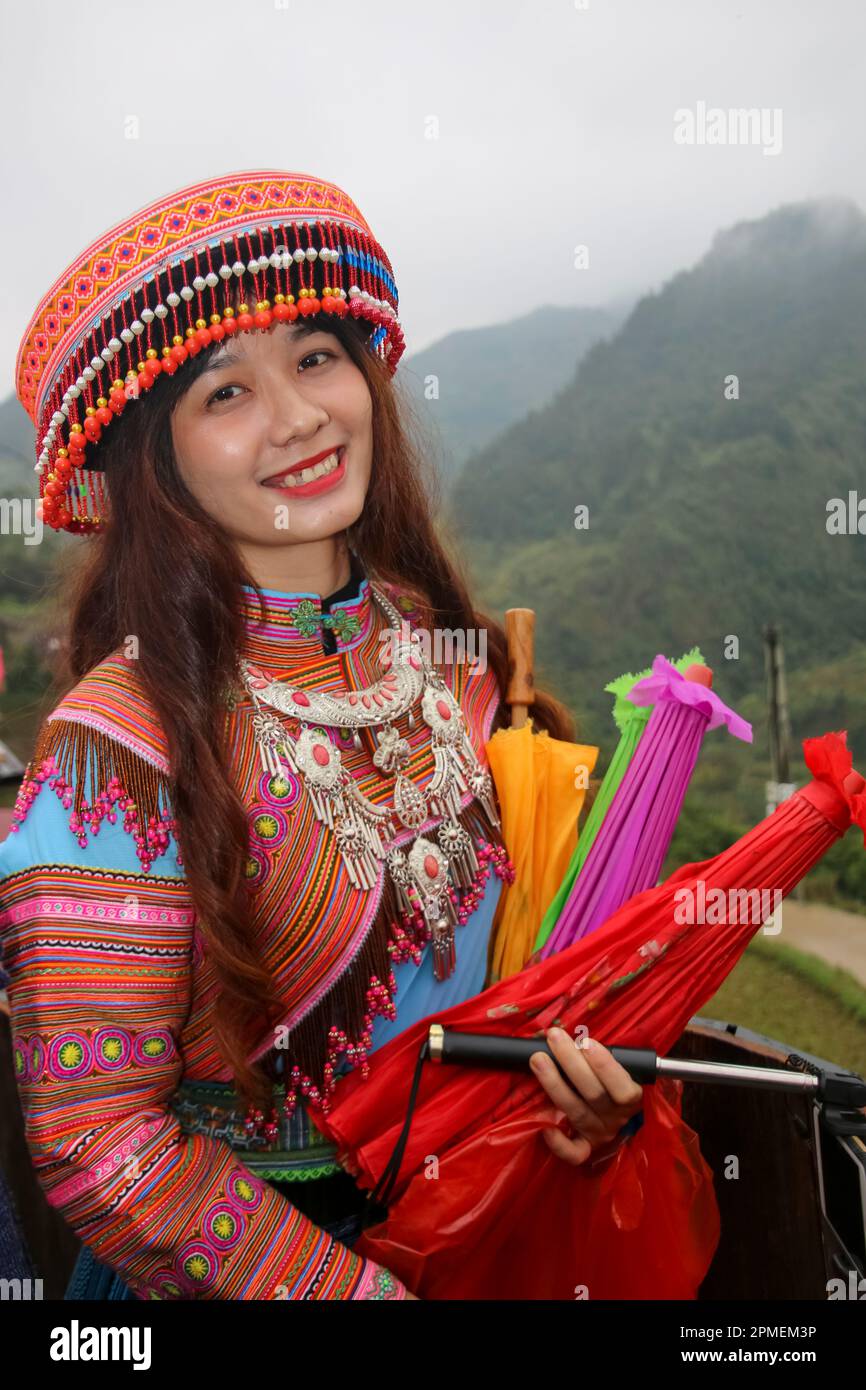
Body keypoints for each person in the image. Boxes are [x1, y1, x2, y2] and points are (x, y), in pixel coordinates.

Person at [1, 169, 643, 1301]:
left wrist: (566, 1107)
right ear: (154, 458)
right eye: (223, 393)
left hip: (483, 1221)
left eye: (313, 357)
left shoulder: (452, 657)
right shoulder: (112, 755)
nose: (298, 417)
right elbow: (98, 1139)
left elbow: (513, 982)